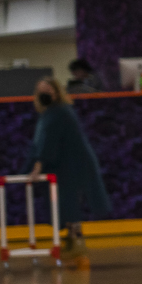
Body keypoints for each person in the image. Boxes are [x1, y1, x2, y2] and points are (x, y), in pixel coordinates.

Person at [27, 78, 111, 255]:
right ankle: (73, 241)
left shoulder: (59, 113)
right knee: (66, 202)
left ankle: (76, 242)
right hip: (67, 163)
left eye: (48, 91)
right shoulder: (53, 113)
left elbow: (48, 142)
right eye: (41, 91)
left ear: (57, 93)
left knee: (69, 202)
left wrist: (37, 165)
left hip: (73, 164)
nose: (44, 95)